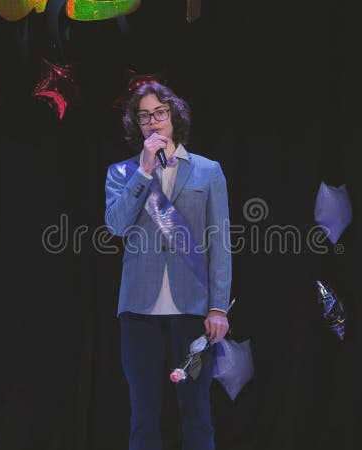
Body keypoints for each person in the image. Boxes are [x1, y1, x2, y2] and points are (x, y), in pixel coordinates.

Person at [104, 81, 231, 450]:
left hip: (191, 308)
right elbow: (116, 225)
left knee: (196, 414)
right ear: (137, 125)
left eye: (159, 112)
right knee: (143, 416)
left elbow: (220, 244)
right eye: (144, 116)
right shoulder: (122, 173)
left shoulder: (208, 171)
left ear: (173, 115)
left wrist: (218, 306)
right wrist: (143, 172)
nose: (153, 122)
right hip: (138, 310)